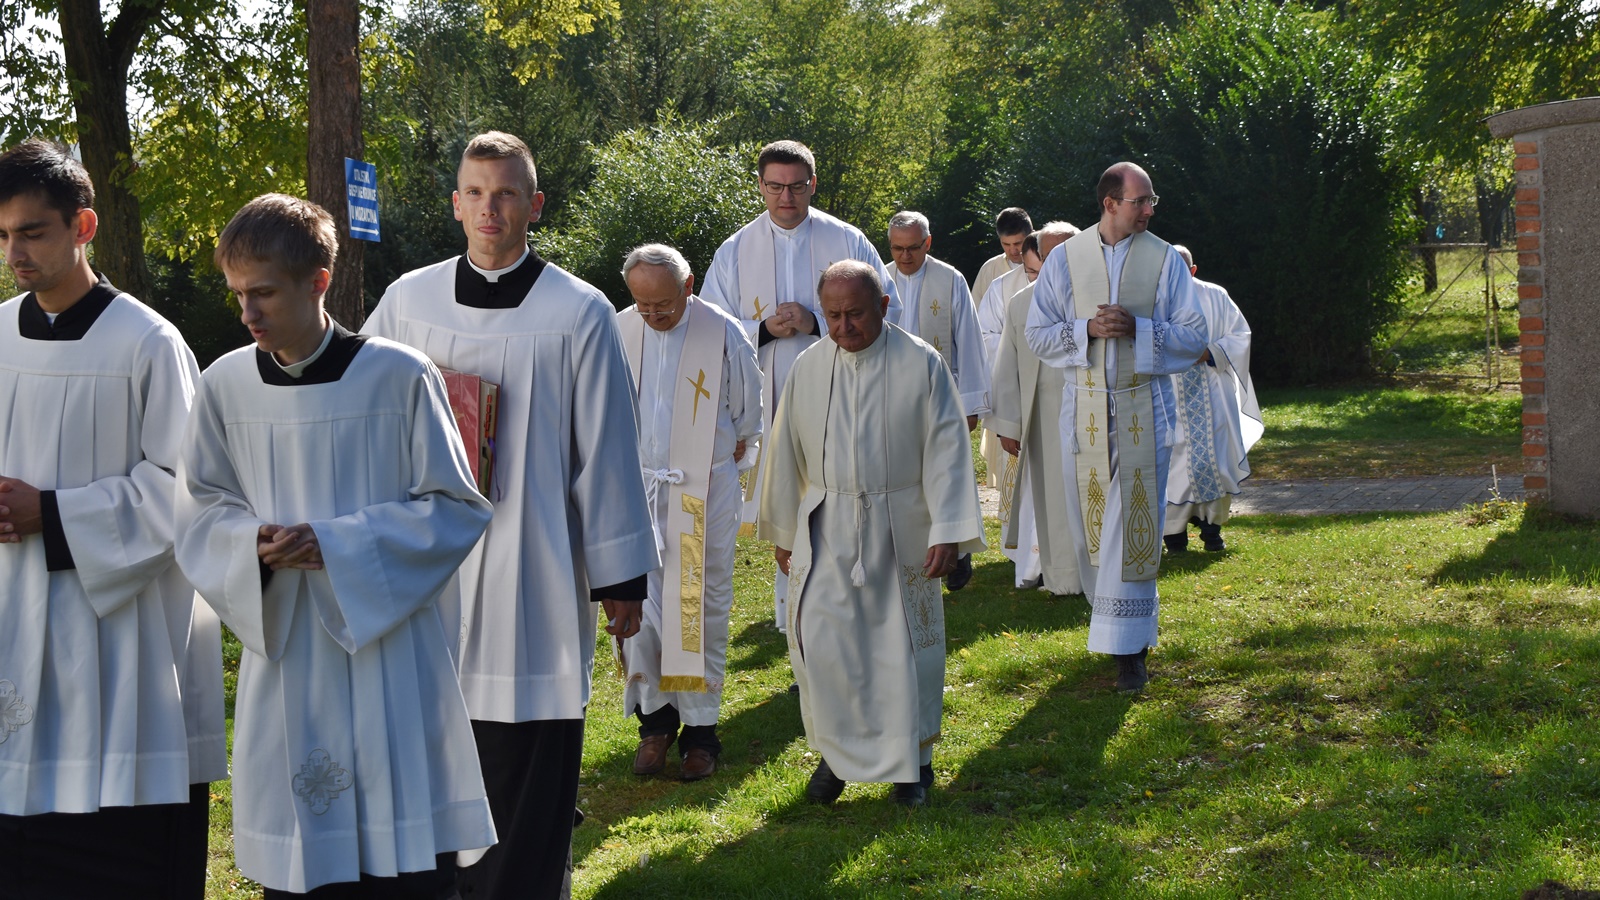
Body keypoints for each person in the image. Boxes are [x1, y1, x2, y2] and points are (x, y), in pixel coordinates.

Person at [362, 131, 657, 900]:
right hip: (431, 565)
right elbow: (363, 416)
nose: (490, 209)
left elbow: (609, 449)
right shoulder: (407, 301)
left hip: (534, 562)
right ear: (455, 202)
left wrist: (621, 573)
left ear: (535, 204)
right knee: (426, 740)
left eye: (506, 194)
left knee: (525, 750)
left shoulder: (578, 310)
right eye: (475, 192)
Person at [176, 194, 496, 897]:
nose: (248, 315)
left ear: (319, 281)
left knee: (402, 870)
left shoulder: (399, 375)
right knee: (300, 873)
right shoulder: (224, 384)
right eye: (238, 296)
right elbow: (199, 509)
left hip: (389, 651)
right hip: (288, 652)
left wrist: (336, 544)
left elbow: (455, 507)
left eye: (263, 294)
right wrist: (248, 543)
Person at [0, 138, 224, 900]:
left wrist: (54, 514)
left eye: (32, 232)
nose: (14, 253)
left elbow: (187, 493)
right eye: (3, 236)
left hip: (114, 637)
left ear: (83, 225)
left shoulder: (149, 343)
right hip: (10, 615)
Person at [758, 260, 983, 808]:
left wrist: (948, 532)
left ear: (882, 306)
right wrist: (785, 529)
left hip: (902, 523)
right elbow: (785, 451)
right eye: (832, 316)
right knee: (827, 646)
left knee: (902, 650)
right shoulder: (811, 366)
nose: (842, 327)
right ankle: (837, 758)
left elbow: (949, 452)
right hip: (828, 525)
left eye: (854, 314)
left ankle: (913, 765)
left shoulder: (921, 364)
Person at [699, 139, 901, 632]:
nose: (785, 197)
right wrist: (765, 330)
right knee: (790, 506)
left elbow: (890, 312)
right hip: (769, 401)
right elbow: (707, 332)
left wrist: (816, 322)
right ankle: (795, 621)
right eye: (774, 187)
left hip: (843, 392)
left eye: (795, 187)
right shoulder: (735, 250)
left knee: (843, 495)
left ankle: (854, 606)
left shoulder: (848, 241)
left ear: (813, 184)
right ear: (761, 187)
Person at [1024, 162, 1208, 693]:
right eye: (1140, 201)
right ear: (1110, 203)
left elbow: (1193, 336)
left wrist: (1138, 329)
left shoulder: (1165, 259)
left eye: (1152, 201)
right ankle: (1111, 626)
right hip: (1082, 411)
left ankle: (1131, 650)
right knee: (1094, 526)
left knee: (1135, 526)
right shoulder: (1066, 258)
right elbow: (1038, 333)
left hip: (1140, 410)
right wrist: (1085, 328)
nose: (1149, 210)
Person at [615, 244, 761, 782]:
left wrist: (723, 462)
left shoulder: (721, 332)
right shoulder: (619, 328)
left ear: (689, 285)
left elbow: (748, 416)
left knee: (696, 610)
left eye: (663, 305)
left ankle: (701, 734)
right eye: (642, 305)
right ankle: (654, 724)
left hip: (702, 489)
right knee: (635, 609)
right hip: (635, 489)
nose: (651, 317)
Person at [886, 210, 990, 591]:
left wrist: (971, 403)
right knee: (907, 475)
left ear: (928, 243)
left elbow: (970, 341)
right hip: (894, 397)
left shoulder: (950, 279)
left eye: (913, 248)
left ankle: (960, 550)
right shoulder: (880, 278)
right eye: (897, 248)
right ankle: (913, 547)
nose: (905, 257)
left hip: (942, 395)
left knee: (947, 472)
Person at [987, 223, 1080, 594]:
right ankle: (1062, 577)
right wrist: (1008, 424)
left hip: (1096, 415)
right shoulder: (1022, 302)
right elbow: (1007, 367)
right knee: (1052, 500)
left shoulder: (1099, 294)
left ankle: (1104, 574)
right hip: (1043, 418)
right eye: (1050, 254)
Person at [1162, 245, 1261, 554]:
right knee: (1170, 466)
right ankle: (1173, 536)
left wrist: (1209, 352)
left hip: (1212, 390)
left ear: (1193, 270)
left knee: (1215, 462)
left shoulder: (1215, 295)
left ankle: (1212, 531)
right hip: (1168, 395)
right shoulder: (1150, 299)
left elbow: (1239, 335)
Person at [974, 207, 1033, 492]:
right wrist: (1014, 350)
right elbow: (980, 326)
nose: (1014, 251)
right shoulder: (991, 271)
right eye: (1007, 245)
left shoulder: (1048, 262)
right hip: (1006, 375)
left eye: (1019, 244)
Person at [971, 206, 1033, 310]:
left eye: (1017, 243)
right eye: (1006, 244)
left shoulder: (1045, 265)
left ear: (1031, 235)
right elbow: (975, 313)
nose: (1013, 250)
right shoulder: (989, 269)